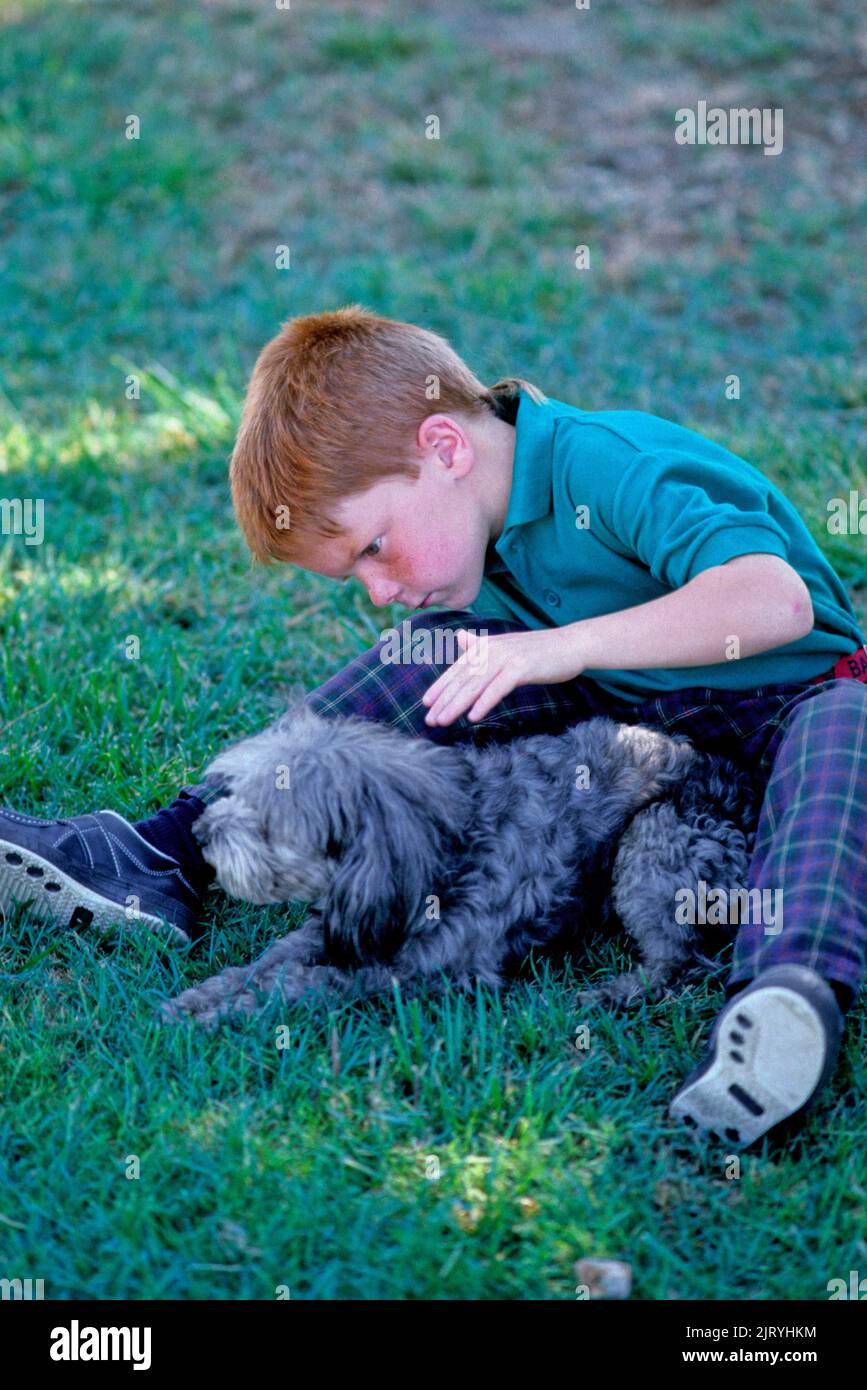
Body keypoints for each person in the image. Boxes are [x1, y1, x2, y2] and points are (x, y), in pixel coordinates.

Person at [2, 305, 865, 1148]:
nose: (375, 588)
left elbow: (772, 600)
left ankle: (783, 998)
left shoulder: (611, 464)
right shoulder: (465, 543)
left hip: (785, 707)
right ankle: (164, 852)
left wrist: (557, 649)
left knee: (848, 729)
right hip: (621, 739)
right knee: (432, 649)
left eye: (373, 548)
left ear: (445, 448)